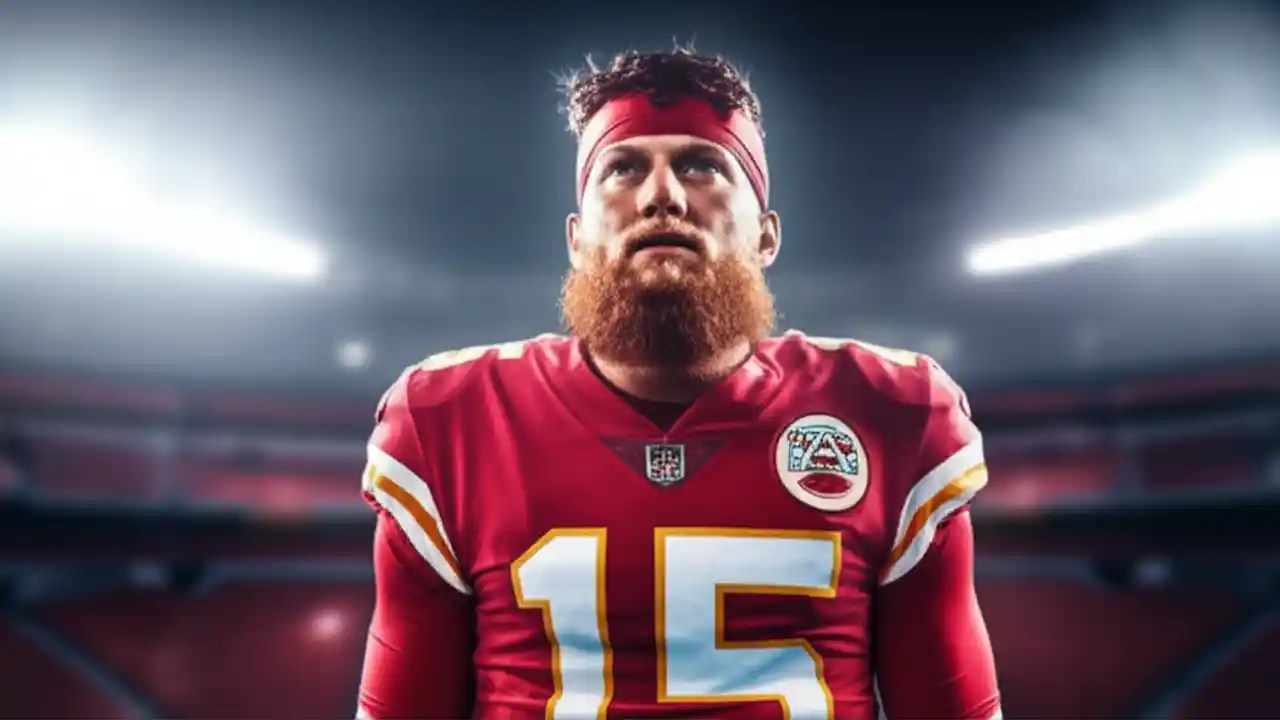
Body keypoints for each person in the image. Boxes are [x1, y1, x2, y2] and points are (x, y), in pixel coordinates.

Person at [356, 46, 1001, 720]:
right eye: (623, 168)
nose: (661, 196)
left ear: (766, 235)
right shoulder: (450, 420)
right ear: (575, 239)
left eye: (701, 165)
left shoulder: (891, 413)